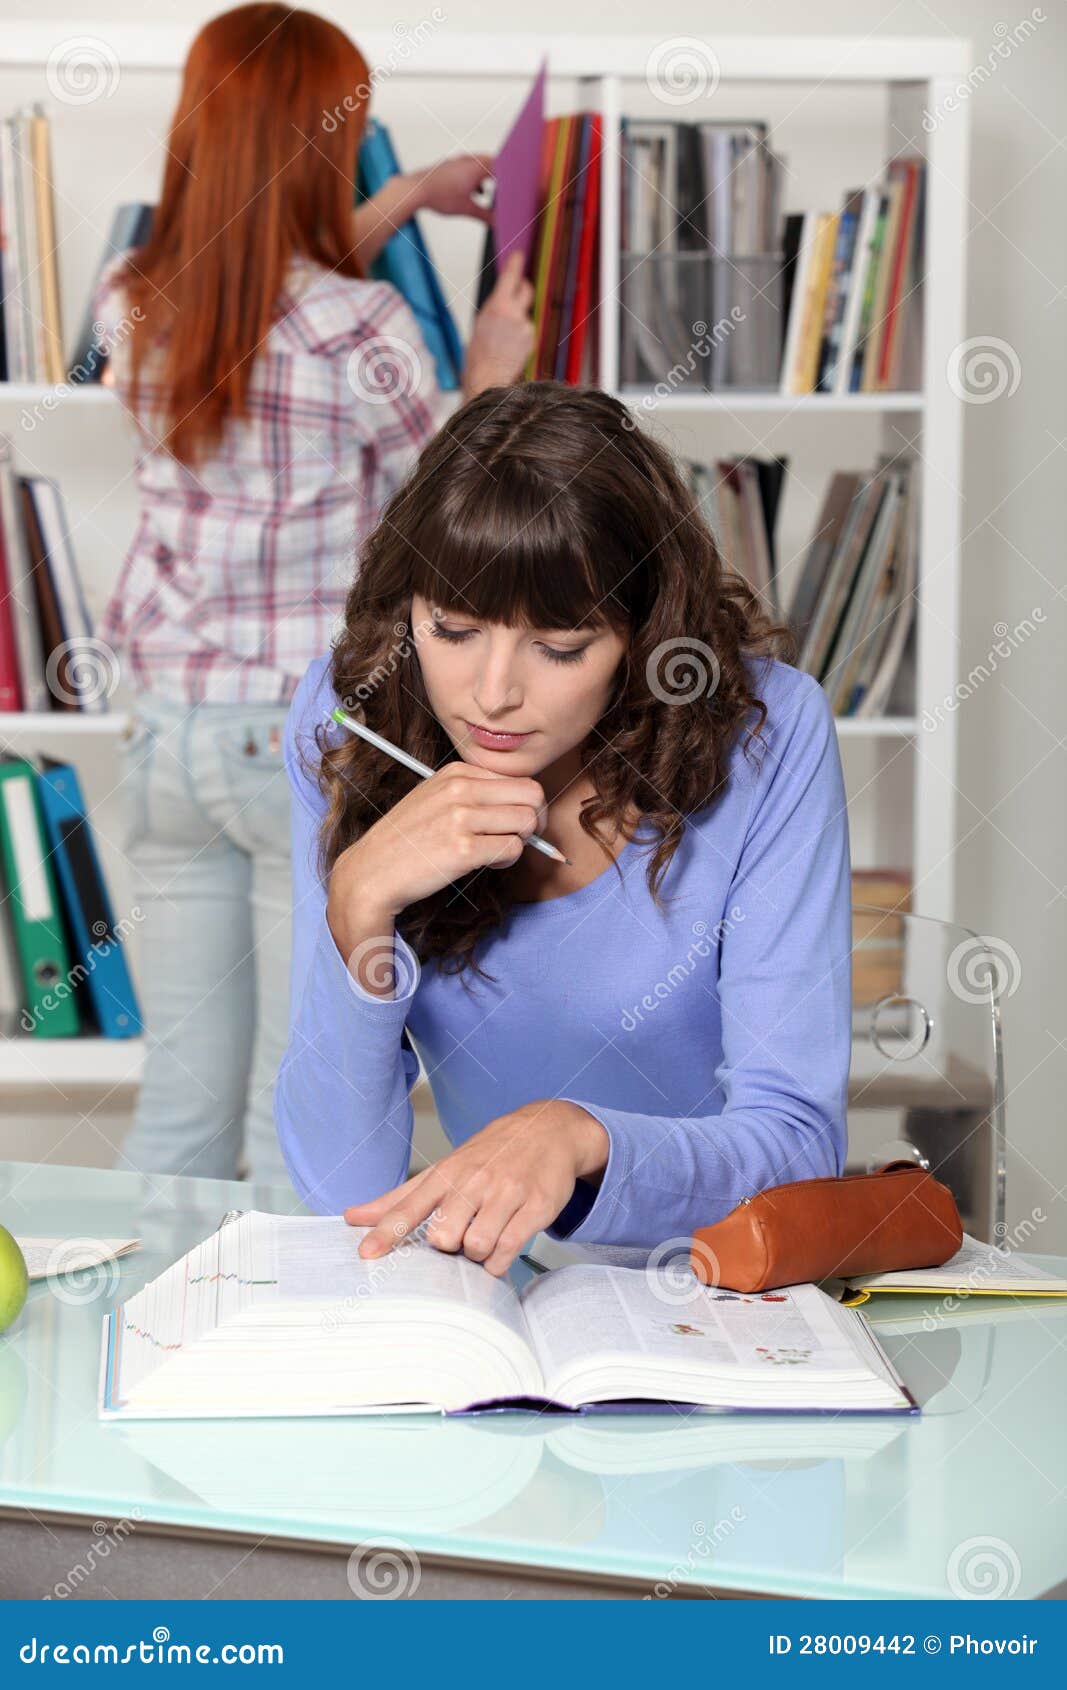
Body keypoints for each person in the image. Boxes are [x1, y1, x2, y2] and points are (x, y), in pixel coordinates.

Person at [91, 3, 533, 1186]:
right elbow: (445, 502)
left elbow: (260, 271)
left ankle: (148, 1346)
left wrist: (407, 196)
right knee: (297, 1102)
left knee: (180, 1100)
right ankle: (294, 1362)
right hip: (299, 743)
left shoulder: (131, 303)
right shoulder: (366, 328)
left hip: (163, 742)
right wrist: (487, 378)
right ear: (325, 148)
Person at [274, 381, 853, 1270]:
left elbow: (797, 1150)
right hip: (497, 1294)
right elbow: (339, 1182)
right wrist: (356, 908)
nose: (494, 693)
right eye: (453, 629)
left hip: (721, 1291)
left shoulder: (766, 738)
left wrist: (579, 1137)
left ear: (642, 634)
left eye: (560, 647)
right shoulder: (349, 718)